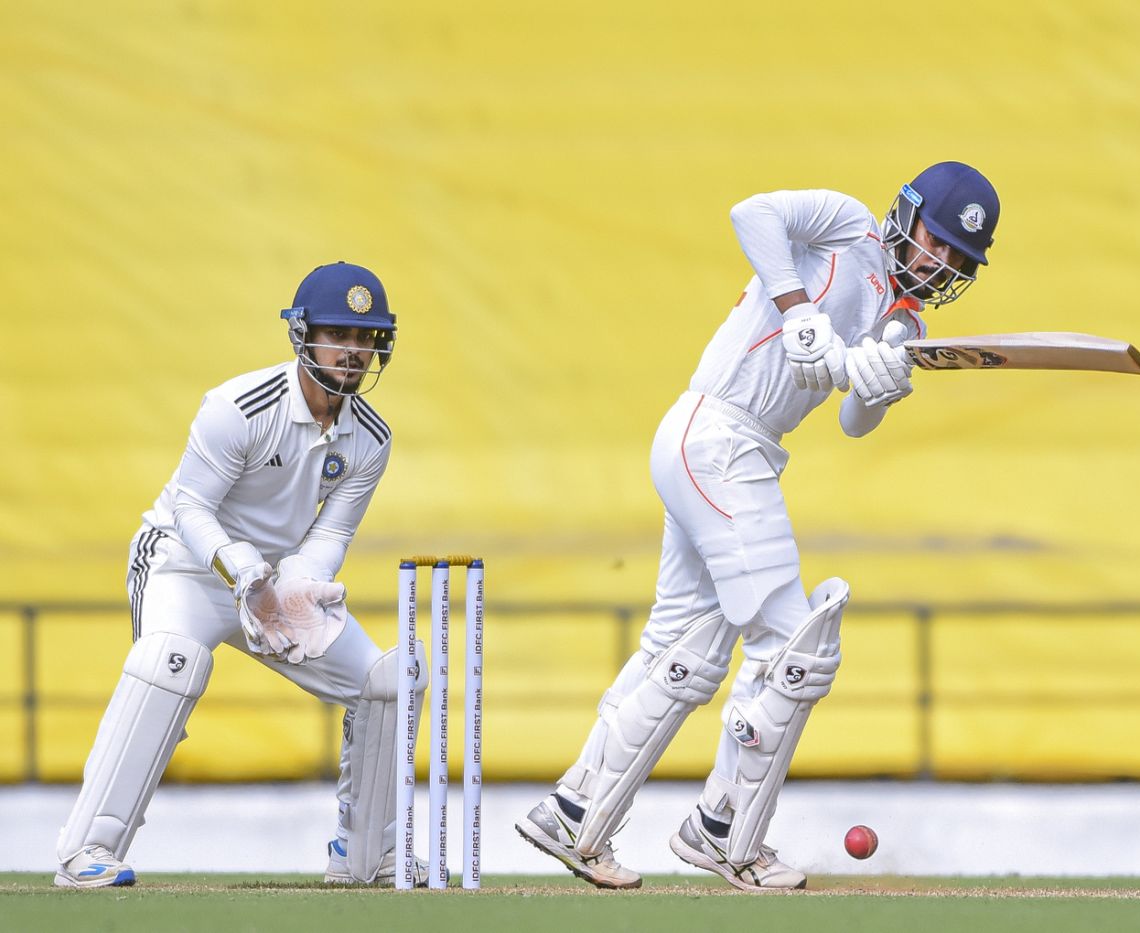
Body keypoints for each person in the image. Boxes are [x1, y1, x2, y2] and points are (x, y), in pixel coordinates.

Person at [516, 162, 1000, 891]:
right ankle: (725, 832)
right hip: (717, 433)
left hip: (734, 450)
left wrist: (880, 381)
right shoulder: (846, 225)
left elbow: (852, 420)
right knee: (793, 650)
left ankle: (573, 812)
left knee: (688, 646)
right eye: (937, 242)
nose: (941, 264)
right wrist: (798, 308)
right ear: (908, 214)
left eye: (958, 261)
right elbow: (751, 212)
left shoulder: (904, 320)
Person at [54, 261, 427, 888]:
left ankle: (366, 855)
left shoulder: (371, 438)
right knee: (170, 664)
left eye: (367, 340)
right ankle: (86, 852)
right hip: (186, 566)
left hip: (275, 583)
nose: (355, 352)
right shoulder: (239, 406)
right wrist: (242, 571)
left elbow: (330, 533)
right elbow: (190, 507)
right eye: (341, 335)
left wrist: (298, 586)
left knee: (385, 683)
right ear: (303, 335)